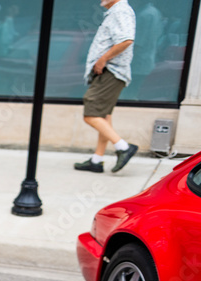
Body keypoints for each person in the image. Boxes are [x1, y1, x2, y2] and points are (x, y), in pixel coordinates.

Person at [75, 0, 137, 174]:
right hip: (110, 71)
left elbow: (126, 40)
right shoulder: (116, 11)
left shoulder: (121, 11)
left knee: (91, 113)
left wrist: (103, 59)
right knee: (104, 117)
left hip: (111, 71)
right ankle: (97, 160)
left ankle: (123, 147)